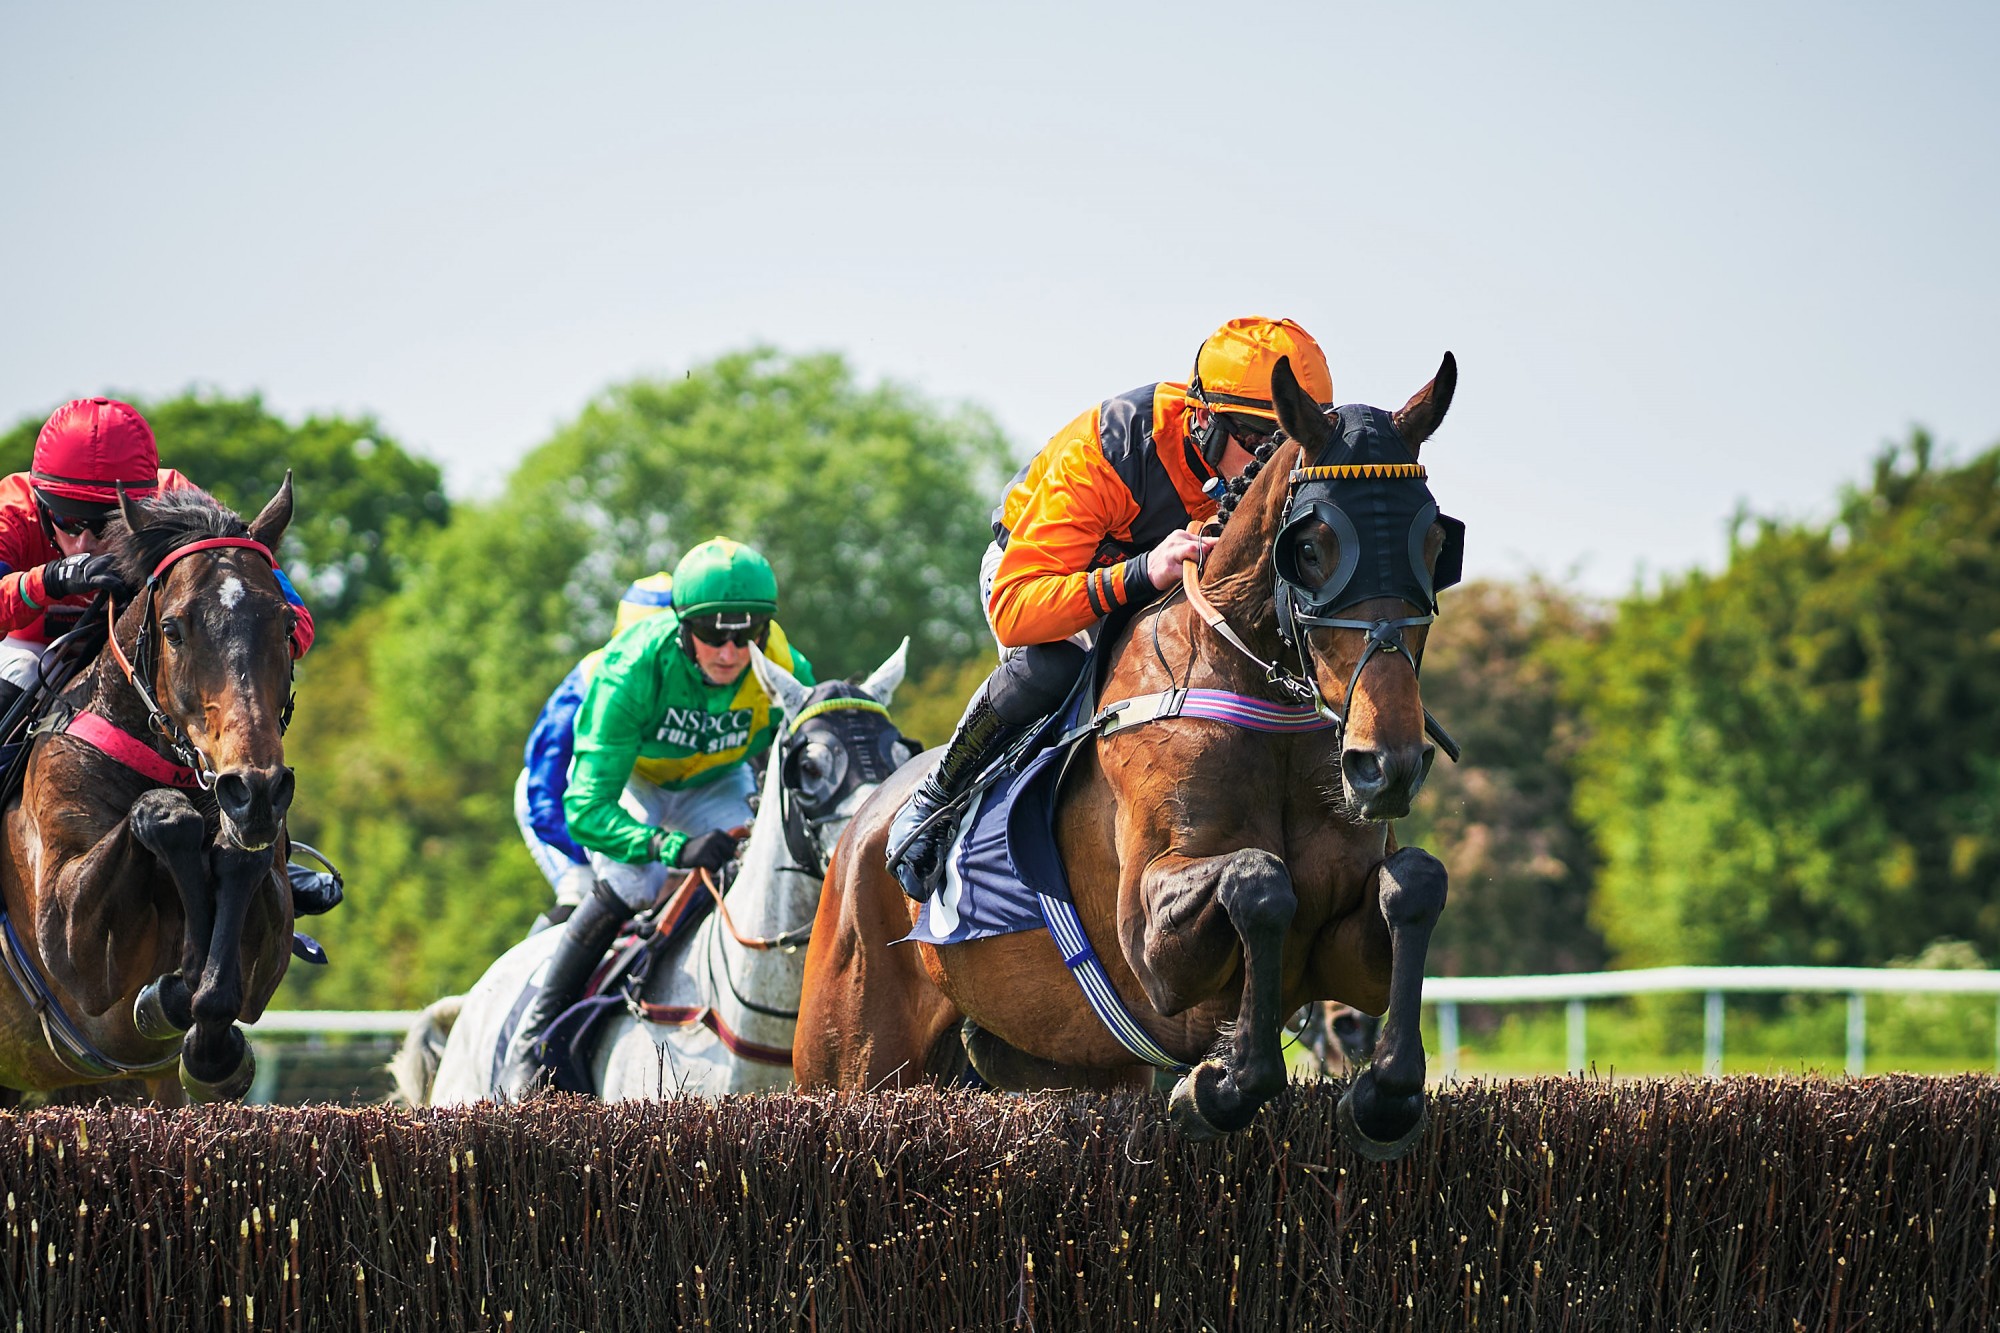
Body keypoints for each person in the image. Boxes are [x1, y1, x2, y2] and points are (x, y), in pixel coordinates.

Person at [888, 316, 1335, 900]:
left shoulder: (1269, 467)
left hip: (1166, 582)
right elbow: (1016, 610)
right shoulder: (1105, 450)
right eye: (1262, 443)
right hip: (1042, 578)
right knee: (1055, 666)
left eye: (1294, 441)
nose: (1282, 465)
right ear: (1204, 422)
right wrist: (1142, 569)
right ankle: (938, 796)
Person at [497, 536, 815, 1098]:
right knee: (631, 878)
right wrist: (672, 848)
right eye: (714, 634)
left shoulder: (785, 666)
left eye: (749, 635)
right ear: (682, 626)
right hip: (635, 785)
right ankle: (534, 1043)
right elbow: (588, 810)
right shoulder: (629, 668)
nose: (731, 653)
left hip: (717, 782)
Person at [0, 397, 339, 914]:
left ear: (144, 502)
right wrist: (51, 579)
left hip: (150, 651)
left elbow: (294, 617)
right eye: (69, 523)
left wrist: (246, 648)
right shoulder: (11, 508)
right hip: (32, 642)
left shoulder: (178, 501)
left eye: (107, 525)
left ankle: (267, 852)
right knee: (19, 671)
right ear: (42, 502)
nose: (86, 544)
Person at [515, 572, 675, 932]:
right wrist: (596, 852)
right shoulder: (592, 675)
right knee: (585, 895)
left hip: (637, 805)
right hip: (562, 806)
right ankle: (528, 986)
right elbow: (543, 785)